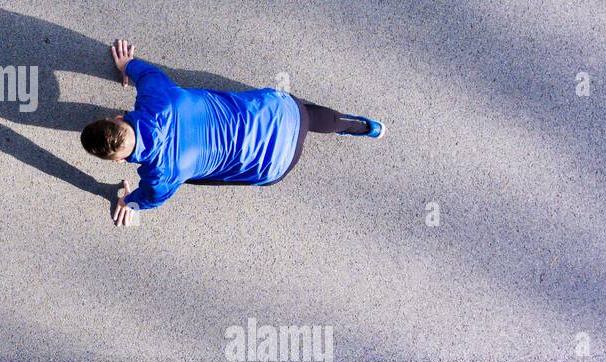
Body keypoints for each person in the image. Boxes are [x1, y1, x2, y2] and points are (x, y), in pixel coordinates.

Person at [81, 40, 384, 226]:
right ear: (117, 117)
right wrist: (128, 65)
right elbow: (148, 74)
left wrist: (128, 202)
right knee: (308, 113)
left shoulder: (162, 176)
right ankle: (364, 127)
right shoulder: (158, 98)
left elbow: (149, 199)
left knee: (196, 176)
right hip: (286, 115)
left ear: (118, 161)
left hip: (276, 165)